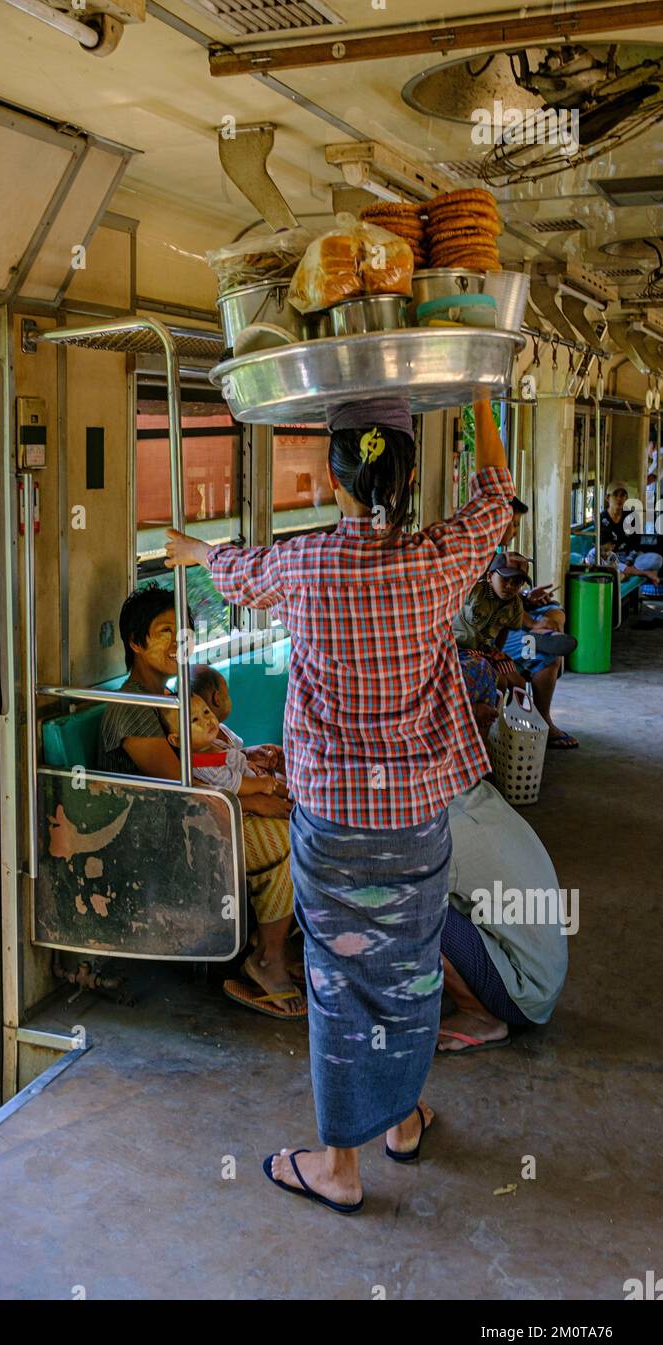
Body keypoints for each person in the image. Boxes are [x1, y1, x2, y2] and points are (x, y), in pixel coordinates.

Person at [164, 394, 513, 1215]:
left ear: (333, 478)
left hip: (332, 818)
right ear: (410, 473)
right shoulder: (439, 559)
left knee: (339, 982)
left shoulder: (304, 562)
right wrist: (481, 401)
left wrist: (187, 547)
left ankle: (338, 1165)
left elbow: (230, 567)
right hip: (417, 817)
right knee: (410, 967)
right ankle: (403, 1119)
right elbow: (498, 493)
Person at [97, 584, 303, 1015]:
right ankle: (265, 960)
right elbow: (182, 788)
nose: (180, 641)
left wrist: (246, 756)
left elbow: (201, 759)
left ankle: (273, 945)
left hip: (196, 813)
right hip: (160, 827)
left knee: (300, 818)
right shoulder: (131, 708)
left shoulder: (171, 697)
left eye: (185, 630)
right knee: (283, 839)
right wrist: (250, 803)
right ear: (136, 642)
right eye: (165, 631)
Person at [437, 779, 569, 1055]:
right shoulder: (470, 793)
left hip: (524, 995)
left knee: (409, 908)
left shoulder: (445, 830)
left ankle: (482, 1018)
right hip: (542, 976)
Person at [453, 551, 579, 749]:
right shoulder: (475, 591)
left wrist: (499, 655)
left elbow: (503, 631)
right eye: (505, 580)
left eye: (517, 582)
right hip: (460, 647)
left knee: (519, 683)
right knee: (500, 681)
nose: (511, 586)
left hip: (487, 648)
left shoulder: (514, 604)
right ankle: (488, 736)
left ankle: (523, 725)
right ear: (489, 576)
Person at [190, 663, 285, 775]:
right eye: (227, 692)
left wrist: (248, 753)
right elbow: (222, 766)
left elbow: (230, 758)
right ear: (217, 699)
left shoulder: (221, 730)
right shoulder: (203, 748)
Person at [599, 480, 663, 581]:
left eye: (622, 495)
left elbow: (636, 543)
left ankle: (629, 571)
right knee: (609, 564)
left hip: (632, 559)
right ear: (607, 498)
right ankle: (630, 572)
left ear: (626, 498)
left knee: (657, 559)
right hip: (612, 560)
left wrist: (629, 561)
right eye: (615, 495)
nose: (619, 499)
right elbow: (602, 548)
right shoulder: (601, 519)